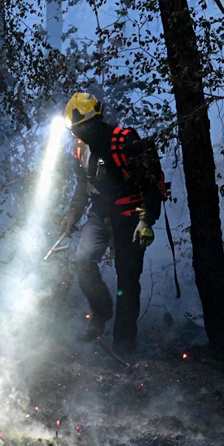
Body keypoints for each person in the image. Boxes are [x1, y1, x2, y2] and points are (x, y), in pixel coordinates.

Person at [59, 92, 164, 355]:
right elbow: (84, 185)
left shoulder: (125, 142)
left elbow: (150, 185)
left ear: (93, 121)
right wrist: (73, 213)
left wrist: (146, 221)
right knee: (83, 260)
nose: (76, 134)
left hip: (130, 218)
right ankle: (102, 311)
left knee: (127, 280)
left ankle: (123, 343)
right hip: (100, 215)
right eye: (74, 129)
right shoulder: (81, 149)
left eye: (79, 127)